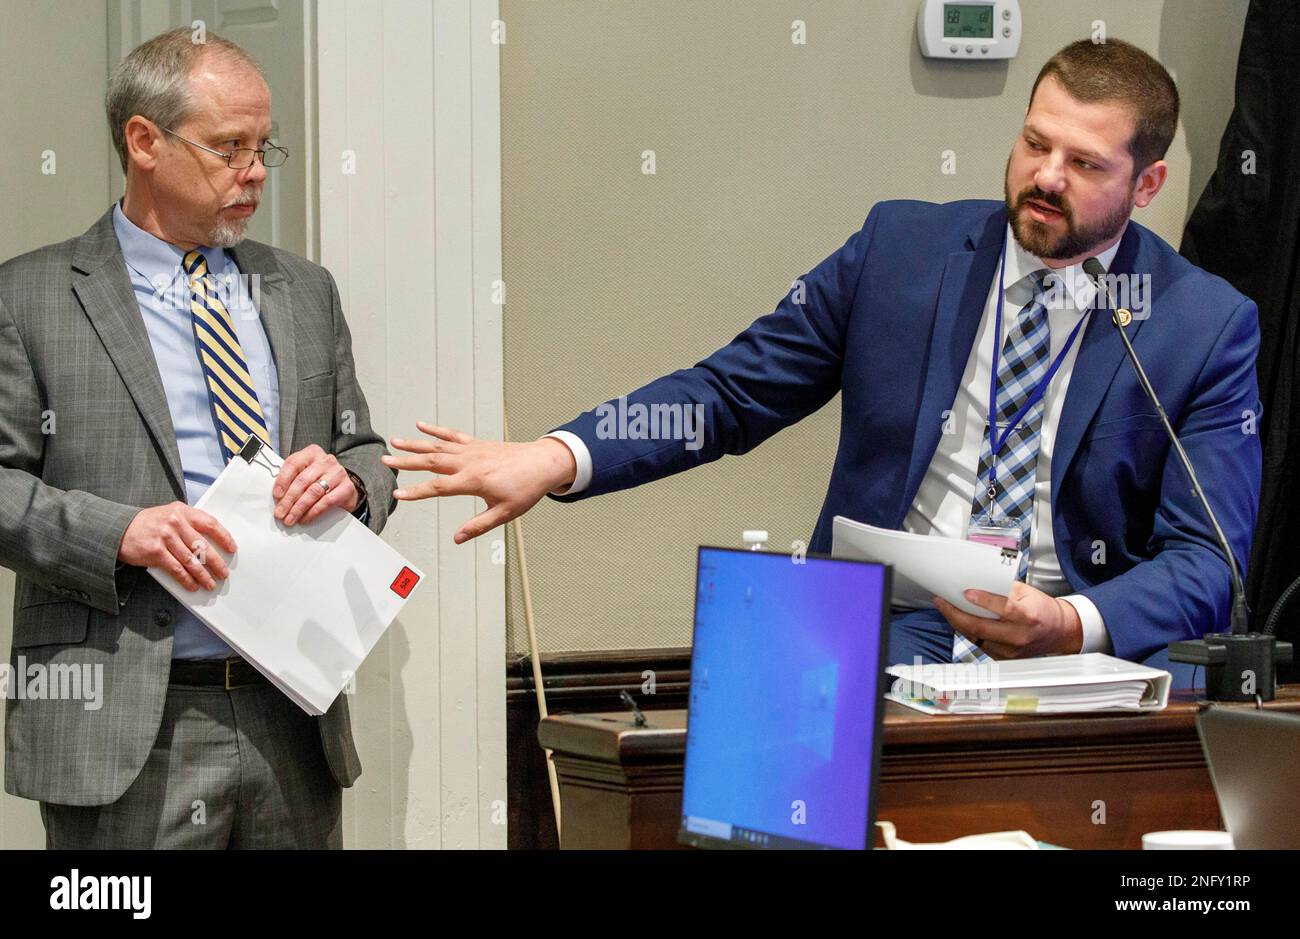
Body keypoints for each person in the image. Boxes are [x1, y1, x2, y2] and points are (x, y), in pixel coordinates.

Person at [384, 39, 1260, 670]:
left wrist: (1069, 620)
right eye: (1035, 142)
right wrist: (556, 454)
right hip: (879, 624)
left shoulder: (1201, 325)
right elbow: (729, 393)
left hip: (1069, 648)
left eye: (1084, 162)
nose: (1045, 177)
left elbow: (1205, 563)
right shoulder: (901, 251)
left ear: (1147, 186)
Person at [0, 28, 395, 847]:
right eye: (229, 148)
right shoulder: (29, 297)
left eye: (263, 148)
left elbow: (366, 448)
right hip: (124, 722)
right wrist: (122, 532)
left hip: (291, 714)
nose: (254, 173)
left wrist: (351, 483)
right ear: (144, 141)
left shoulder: (303, 291)